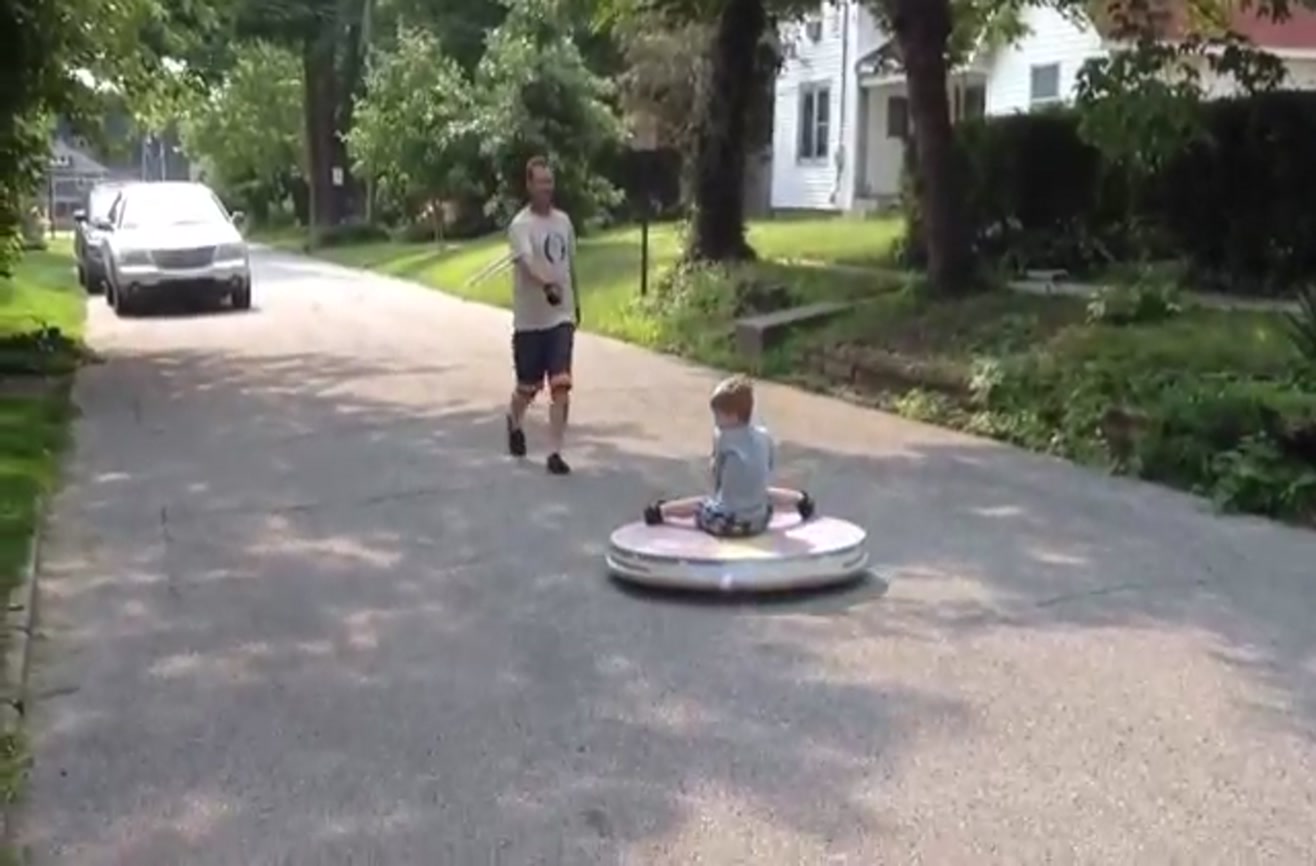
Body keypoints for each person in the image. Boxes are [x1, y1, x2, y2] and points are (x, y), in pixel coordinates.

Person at [643, 375, 816, 537]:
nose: (716, 420)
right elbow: (769, 466)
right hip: (761, 520)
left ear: (732, 416)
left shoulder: (724, 438)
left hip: (730, 523)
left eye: (718, 415)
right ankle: (801, 500)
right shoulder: (764, 435)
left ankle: (660, 511)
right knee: (760, 493)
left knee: (703, 504)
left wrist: (721, 490)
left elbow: (717, 476)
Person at [504, 156, 580, 476]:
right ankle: (514, 419)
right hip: (530, 320)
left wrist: (577, 303)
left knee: (561, 383)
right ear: (529, 185)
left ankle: (554, 453)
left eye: (550, 182)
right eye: (541, 182)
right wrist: (547, 283)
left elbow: (570, 265)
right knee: (528, 386)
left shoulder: (563, 222)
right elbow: (527, 264)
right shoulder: (520, 226)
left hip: (560, 317)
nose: (547, 188)